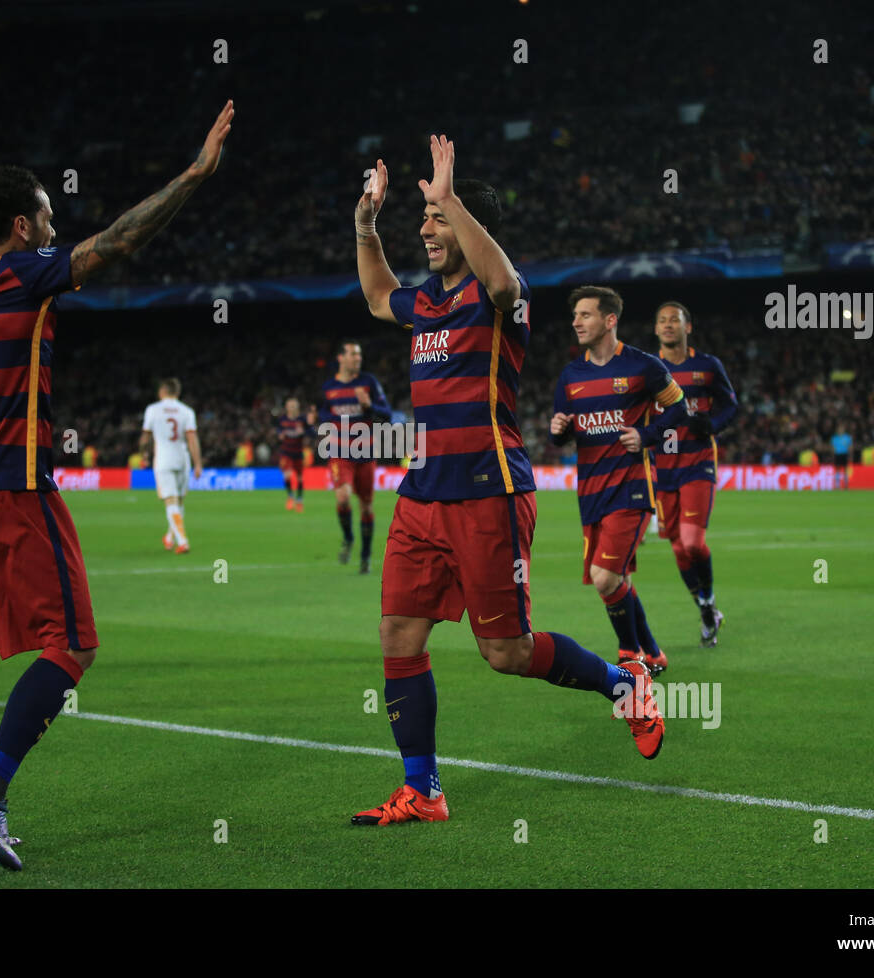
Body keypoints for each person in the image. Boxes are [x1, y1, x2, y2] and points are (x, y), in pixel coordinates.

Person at [0, 102, 233, 869]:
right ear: (24, 228)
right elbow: (122, 240)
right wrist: (194, 173)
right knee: (74, 644)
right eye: (48, 217)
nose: (57, 229)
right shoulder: (30, 273)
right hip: (10, 490)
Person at [349, 136, 663, 827]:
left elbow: (504, 284)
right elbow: (377, 297)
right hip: (423, 495)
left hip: (490, 492)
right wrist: (365, 226)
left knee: (505, 653)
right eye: (425, 219)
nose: (425, 230)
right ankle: (424, 789)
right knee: (398, 636)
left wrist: (450, 197)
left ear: (465, 224)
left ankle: (625, 683)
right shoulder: (425, 304)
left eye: (434, 220)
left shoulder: (502, 302)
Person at [552, 287, 688, 676]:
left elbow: (679, 407)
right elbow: (561, 431)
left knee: (605, 576)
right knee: (617, 579)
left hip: (632, 487)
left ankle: (631, 658)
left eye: (585, 315)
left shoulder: (642, 366)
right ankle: (654, 653)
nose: (576, 321)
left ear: (610, 320)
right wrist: (558, 430)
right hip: (591, 491)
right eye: (575, 314)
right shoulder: (571, 375)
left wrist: (647, 435)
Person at [651, 301, 737, 648]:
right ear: (656, 330)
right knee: (677, 548)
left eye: (675, 320)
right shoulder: (648, 369)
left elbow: (731, 405)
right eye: (662, 321)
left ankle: (707, 600)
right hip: (660, 470)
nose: (668, 325)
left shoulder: (708, 366)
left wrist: (712, 425)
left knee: (692, 542)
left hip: (697, 463)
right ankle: (706, 607)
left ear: (688, 327)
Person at [318, 340, 390, 573]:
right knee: (342, 497)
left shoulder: (369, 383)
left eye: (359, 355)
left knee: (366, 507)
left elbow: (386, 415)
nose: (358, 358)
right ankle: (349, 537)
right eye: (353, 354)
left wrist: (369, 407)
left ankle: (366, 556)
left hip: (365, 453)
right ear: (341, 358)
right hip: (339, 453)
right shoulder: (329, 388)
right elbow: (322, 415)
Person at [140, 378, 202, 553]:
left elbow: (145, 437)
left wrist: (143, 454)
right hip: (183, 460)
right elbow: (192, 439)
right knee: (179, 500)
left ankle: (183, 541)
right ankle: (170, 537)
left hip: (164, 460)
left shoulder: (153, 410)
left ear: (162, 391)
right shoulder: (186, 411)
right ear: (178, 392)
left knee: (171, 501)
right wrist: (198, 463)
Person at [275, 396, 314, 511]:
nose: (292, 408)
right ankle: (290, 497)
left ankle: (299, 500)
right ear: (286, 407)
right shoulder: (282, 419)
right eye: (290, 406)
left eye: (294, 406)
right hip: (286, 452)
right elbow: (278, 430)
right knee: (286, 475)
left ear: (297, 407)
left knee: (300, 478)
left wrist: (306, 430)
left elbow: (312, 433)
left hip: (298, 452)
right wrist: (280, 434)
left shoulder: (302, 419)